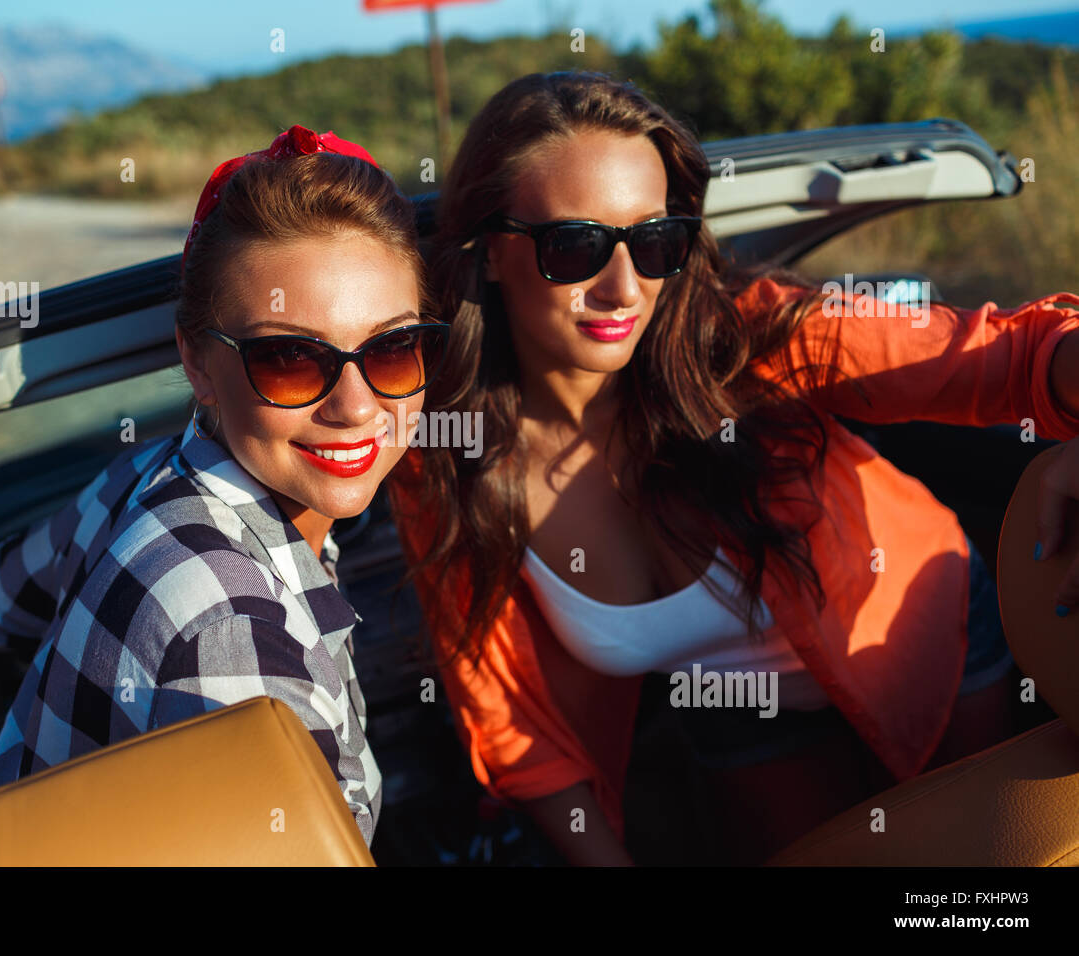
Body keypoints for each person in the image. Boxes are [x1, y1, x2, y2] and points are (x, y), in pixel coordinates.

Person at [387, 71, 1079, 866]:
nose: (625, 289)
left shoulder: (751, 339)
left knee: (962, 898)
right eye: (574, 246)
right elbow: (509, 722)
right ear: (490, 253)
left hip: (922, 637)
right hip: (737, 708)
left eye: (656, 242)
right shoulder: (442, 457)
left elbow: (1008, 357)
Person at [0, 124, 449, 865]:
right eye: (291, 357)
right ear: (197, 364)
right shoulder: (240, 647)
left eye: (393, 348)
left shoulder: (135, 479)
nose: (357, 406)